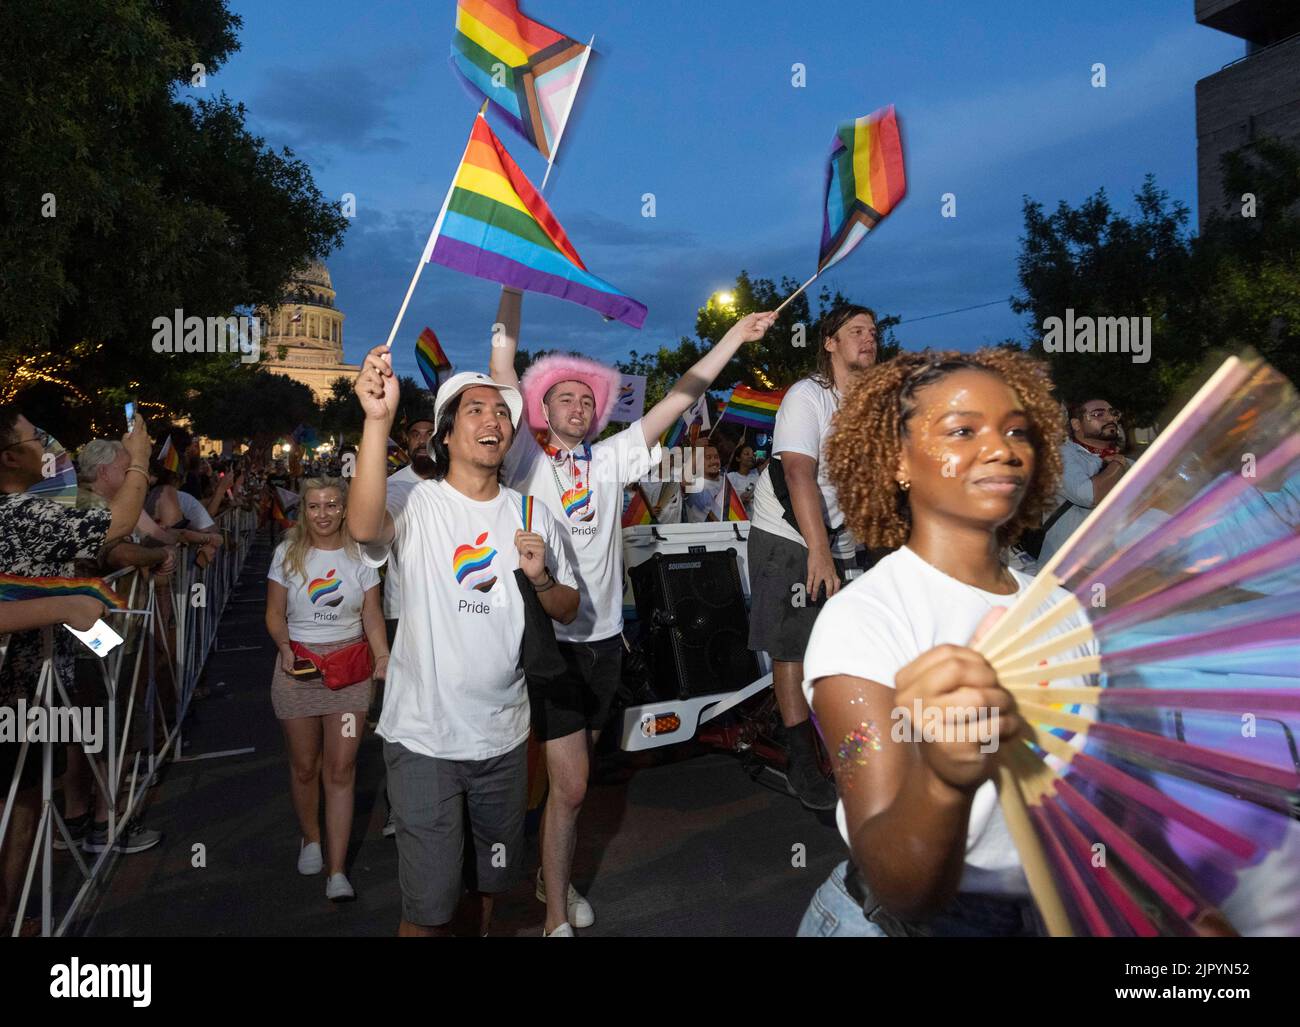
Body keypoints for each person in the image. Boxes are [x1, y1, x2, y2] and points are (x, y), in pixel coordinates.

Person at [490, 285, 775, 936]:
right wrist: (513, 280)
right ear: (543, 408)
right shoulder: (527, 459)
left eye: (588, 398)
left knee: (576, 782)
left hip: (605, 641)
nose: (579, 402)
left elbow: (680, 397)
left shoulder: (613, 459)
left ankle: (547, 873)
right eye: (565, 394)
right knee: (569, 786)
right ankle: (554, 915)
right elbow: (503, 365)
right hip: (549, 641)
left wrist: (736, 337)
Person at [797, 348, 1096, 937]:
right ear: (898, 460)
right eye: (963, 430)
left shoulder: (1060, 605)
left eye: (1017, 431)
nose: (1003, 449)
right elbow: (897, 884)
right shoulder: (867, 619)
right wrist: (943, 777)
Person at [350, 356, 579, 937]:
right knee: (428, 907)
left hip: (503, 738)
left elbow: (570, 607)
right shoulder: (417, 503)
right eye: (476, 409)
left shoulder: (533, 513)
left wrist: (542, 579)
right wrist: (377, 421)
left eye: (503, 412)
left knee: (489, 888)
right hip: (425, 737)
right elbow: (363, 527)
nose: (493, 420)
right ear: (447, 433)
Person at [0, 407, 152, 929]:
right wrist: (141, 464)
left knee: (26, 796)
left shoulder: (38, 502)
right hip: (18, 685)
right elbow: (118, 525)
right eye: (33, 435)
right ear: (9, 457)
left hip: (33, 683)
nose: (46, 440)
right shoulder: (16, 511)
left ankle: (13, 912)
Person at [745, 305, 879, 810]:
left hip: (836, 531)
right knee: (794, 641)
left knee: (851, 642)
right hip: (786, 528)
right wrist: (819, 553)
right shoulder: (808, 396)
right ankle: (801, 759)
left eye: (873, 331)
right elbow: (799, 474)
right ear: (829, 342)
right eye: (856, 331)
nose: (868, 339)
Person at [264, 476, 387, 901]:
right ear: (304, 510)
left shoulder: (362, 555)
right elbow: (275, 613)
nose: (323, 514)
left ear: (345, 508)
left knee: (341, 769)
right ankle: (310, 838)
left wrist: (383, 656)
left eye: (332, 505)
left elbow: (372, 615)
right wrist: (282, 647)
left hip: (350, 672)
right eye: (314, 506)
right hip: (297, 670)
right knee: (304, 766)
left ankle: (337, 871)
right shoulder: (286, 553)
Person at [375, 393, 439, 837]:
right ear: (405, 441)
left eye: (430, 433)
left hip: (451, 615)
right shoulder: (392, 487)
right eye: (415, 433)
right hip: (402, 614)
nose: (422, 439)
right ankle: (399, 805)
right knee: (400, 712)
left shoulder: (460, 481)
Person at [1037, 398, 1131, 564]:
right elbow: (1088, 496)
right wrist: (1117, 464)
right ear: (1076, 425)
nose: (1110, 418)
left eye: (1112, 413)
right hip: (1067, 572)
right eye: (1097, 414)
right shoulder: (1060, 455)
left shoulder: (1126, 462)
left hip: (1113, 568)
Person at [684, 443, 725, 523]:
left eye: (716, 457)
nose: (713, 461)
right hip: (701, 534)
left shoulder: (726, 481)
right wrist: (697, 450)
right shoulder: (695, 484)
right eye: (708, 458)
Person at [727, 442, 761, 515]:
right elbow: (724, 502)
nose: (751, 456)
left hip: (755, 520)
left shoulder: (756, 473)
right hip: (738, 520)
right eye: (747, 454)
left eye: (753, 454)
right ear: (738, 458)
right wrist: (740, 499)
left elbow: (770, 461)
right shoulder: (731, 477)